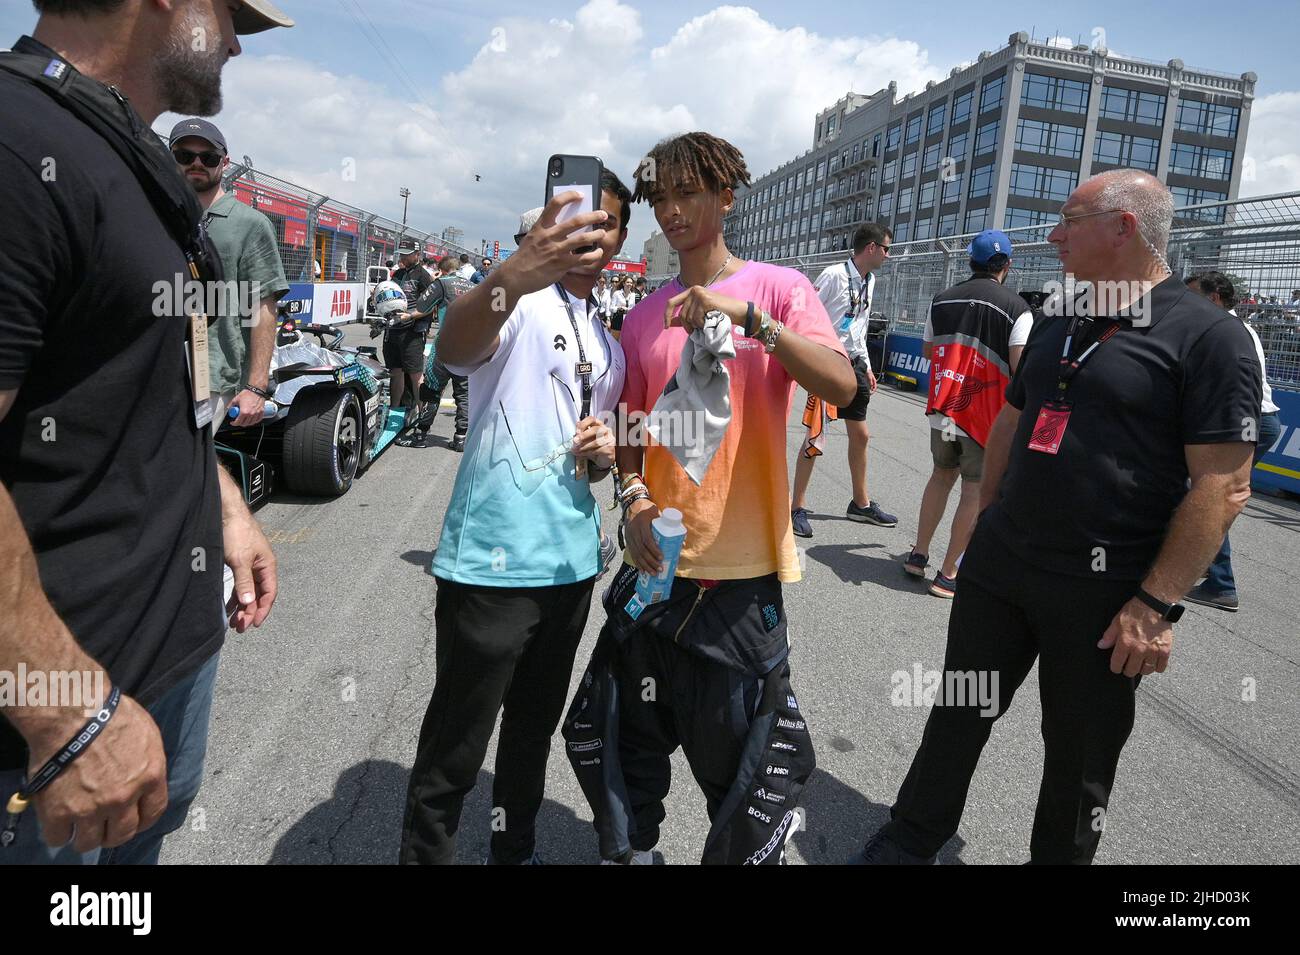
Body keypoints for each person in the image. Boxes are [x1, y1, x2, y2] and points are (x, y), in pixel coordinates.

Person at [856, 169, 1261, 865]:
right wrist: (987, 513)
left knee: (1078, 757)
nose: (1052, 234)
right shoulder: (1059, 311)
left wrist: (1155, 603)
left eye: (1070, 220)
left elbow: (1223, 485)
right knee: (959, 710)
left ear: (1123, 228)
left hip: (1107, 592)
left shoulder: (1208, 337)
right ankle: (912, 833)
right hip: (1003, 564)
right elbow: (1016, 412)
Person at [0, 0, 287, 866]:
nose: (237, 38)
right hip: (57, 719)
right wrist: (61, 709)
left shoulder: (129, 157)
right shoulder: (17, 146)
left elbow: (155, 381)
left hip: (165, 667)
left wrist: (223, 499)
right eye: (231, 10)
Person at [563, 132, 856, 865]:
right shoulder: (643, 315)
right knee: (624, 751)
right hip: (656, 566)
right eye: (659, 198)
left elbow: (843, 386)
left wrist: (754, 321)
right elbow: (630, 425)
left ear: (725, 195)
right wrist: (631, 498)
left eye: (686, 193)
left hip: (739, 578)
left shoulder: (780, 288)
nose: (671, 210)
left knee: (738, 776)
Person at [399, 172, 632, 865]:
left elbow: (595, 466)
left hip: (569, 570)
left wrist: (604, 454)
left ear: (619, 241)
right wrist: (515, 271)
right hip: (490, 567)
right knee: (456, 752)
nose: (591, 236)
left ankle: (514, 851)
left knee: (530, 741)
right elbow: (452, 349)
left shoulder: (609, 343)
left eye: (606, 224)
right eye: (579, 220)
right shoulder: (518, 303)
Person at [905, 230, 1033, 598]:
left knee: (940, 476)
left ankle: (918, 554)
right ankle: (947, 575)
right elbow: (1020, 366)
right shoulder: (1017, 308)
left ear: (970, 262)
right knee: (973, 489)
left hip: (944, 409)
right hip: (985, 416)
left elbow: (929, 352)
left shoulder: (942, 299)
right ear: (1007, 265)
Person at [169, 117, 288, 432]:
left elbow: (263, 306)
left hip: (211, 375)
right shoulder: (156, 213)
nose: (196, 163)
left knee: (183, 468)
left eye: (207, 158)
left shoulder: (248, 224)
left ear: (224, 162)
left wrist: (257, 386)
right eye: (184, 156)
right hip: (152, 368)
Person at [1183, 271, 1282, 612]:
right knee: (1204, 495)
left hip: (1251, 421)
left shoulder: (1228, 329)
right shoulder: (1223, 327)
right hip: (1251, 420)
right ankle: (1201, 569)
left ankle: (1221, 583)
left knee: (1209, 497)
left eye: (1193, 295)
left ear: (1214, 298)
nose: (1186, 302)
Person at [790, 222, 897, 539]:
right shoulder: (835, 275)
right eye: (887, 249)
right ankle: (797, 505)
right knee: (815, 438)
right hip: (827, 363)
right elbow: (808, 316)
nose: (889, 256)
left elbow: (858, 325)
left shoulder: (870, 280)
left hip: (854, 364)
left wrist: (864, 364)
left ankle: (860, 504)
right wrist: (812, 361)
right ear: (872, 248)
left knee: (861, 435)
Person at [417, 254, 471, 449]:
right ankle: (461, 438)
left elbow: (422, 305)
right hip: (469, 345)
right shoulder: (474, 286)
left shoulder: (442, 283)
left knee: (431, 386)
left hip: (445, 343)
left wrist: (406, 316)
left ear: (443, 269)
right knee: (464, 393)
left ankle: (421, 434)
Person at [383, 238, 436, 420]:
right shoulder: (397, 274)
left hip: (412, 332)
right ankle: (394, 410)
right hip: (393, 329)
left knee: (415, 375)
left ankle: (423, 417)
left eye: (407, 254)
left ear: (417, 254)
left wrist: (411, 316)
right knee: (395, 372)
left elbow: (430, 306)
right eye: (402, 254)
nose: (404, 257)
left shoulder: (423, 276)